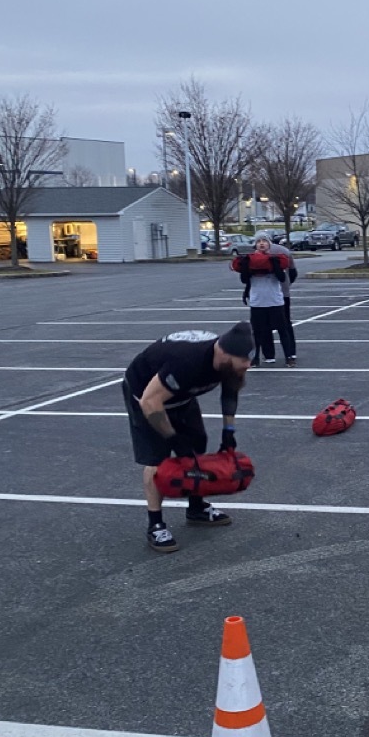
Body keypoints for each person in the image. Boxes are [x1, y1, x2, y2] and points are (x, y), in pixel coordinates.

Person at [122, 322, 255, 551]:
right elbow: (150, 402)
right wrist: (173, 438)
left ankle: (196, 508)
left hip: (181, 396)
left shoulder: (228, 364)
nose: (248, 366)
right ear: (223, 353)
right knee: (157, 460)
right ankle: (155, 525)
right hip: (146, 397)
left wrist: (228, 433)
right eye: (243, 361)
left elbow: (230, 393)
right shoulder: (187, 362)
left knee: (196, 448)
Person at [239, 235, 298, 367]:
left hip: (275, 301)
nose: (261, 244)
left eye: (264, 241)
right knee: (257, 331)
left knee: (282, 330)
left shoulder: (276, 259)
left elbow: (282, 278)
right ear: (255, 245)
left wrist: (274, 264)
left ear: (269, 244)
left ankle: (289, 357)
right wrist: (245, 267)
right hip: (257, 302)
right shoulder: (250, 261)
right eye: (258, 242)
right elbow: (244, 280)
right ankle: (255, 358)